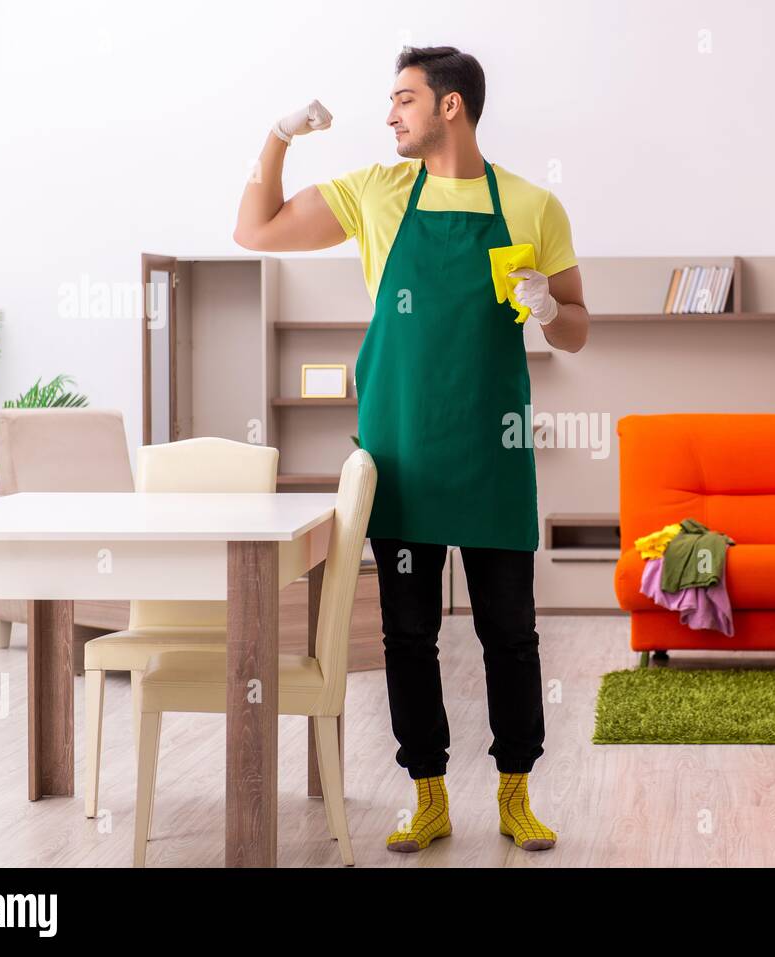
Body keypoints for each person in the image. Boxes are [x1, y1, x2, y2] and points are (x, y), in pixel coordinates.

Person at [233, 45, 588, 854]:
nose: (389, 114)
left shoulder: (533, 205)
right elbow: (253, 228)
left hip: (493, 456)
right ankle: (427, 795)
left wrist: (545, 310)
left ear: (450, 106)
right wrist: (278, 136)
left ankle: (516, 793)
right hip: (401, 456)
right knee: (407, 633)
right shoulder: (376, 191)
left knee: (512, 633)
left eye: (403, 99)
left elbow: (577, 328)